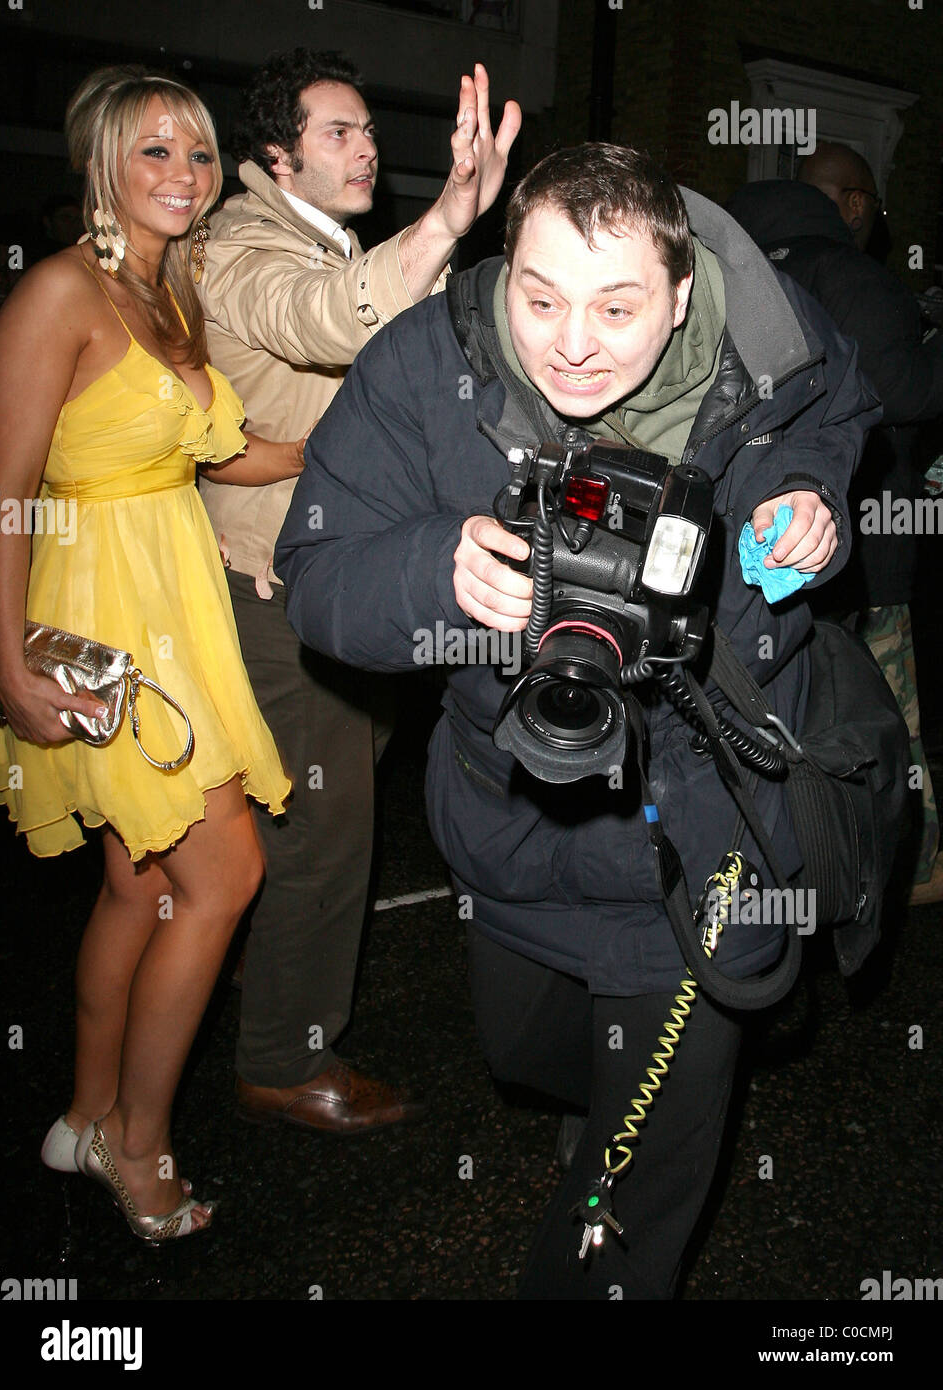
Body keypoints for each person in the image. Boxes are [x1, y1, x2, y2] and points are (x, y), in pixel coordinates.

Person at [274, 142, 879, 1297]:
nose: (570, 341)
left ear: (683, 292)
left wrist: (808, 502)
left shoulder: (767, 338)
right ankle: (595, 1108)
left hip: (709, 820)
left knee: (627, 1191)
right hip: (520, 815)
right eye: (539, 296)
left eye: (616, 306)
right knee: (524, 1054)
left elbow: (836, 413)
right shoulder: (424, 365)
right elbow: (313, 572)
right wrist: (428, 574)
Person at [0, 66, 294, 1242]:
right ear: (102, 169)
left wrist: (338, 452)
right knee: (224, 878)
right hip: (106, 621)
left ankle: (80, 1117)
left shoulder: (167, 299)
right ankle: (138, 1144)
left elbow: (220, 452)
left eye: (201, 154)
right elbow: (3, 494)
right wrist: (10, 667)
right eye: (155, 151)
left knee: (142, 883)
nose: (184, 173)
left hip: (179, 604)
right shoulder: (58, 296)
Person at [197, 49, 521, 1133]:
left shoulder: (317, 234)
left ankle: (264, 970)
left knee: (308, 802)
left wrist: (455, 218)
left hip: (340, 576)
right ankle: (284, 1057)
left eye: (368, 128)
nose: (367, 146)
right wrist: (446, 219)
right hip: (278, 588)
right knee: (329, 835)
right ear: (276, 153)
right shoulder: (243, 246)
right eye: (338, 131)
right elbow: (331, 318)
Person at [728, 143, 943, 902]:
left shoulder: (742, 272)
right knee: (883, 716)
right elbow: (903, 394)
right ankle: (898, 869)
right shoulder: (854, 277)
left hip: (753, 548)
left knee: (781, 708)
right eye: (874, 209)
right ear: (850, 205)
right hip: (861, 545)